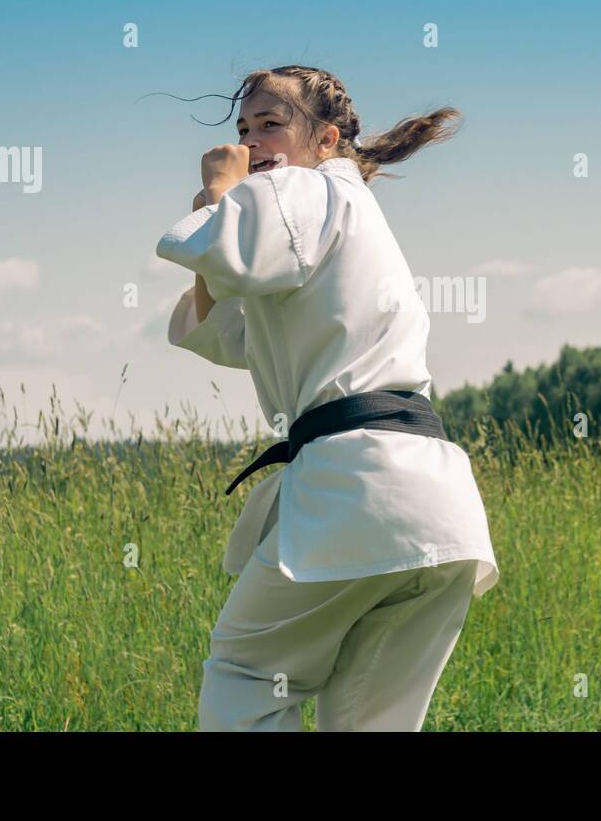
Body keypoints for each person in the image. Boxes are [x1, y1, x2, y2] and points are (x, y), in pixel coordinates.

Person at [153, 65, 499, 731]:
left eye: (271, 125)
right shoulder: (335, 216)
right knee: (371, 721)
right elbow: (222, 310)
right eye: (244, 128)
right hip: (435, 508)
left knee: (247, 672)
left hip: (356, 491)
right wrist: (221, 209)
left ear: (325, 138)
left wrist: (221, 189)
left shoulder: (300, 189)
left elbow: (225, 263)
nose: (253, 142)